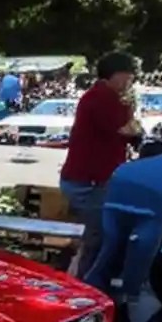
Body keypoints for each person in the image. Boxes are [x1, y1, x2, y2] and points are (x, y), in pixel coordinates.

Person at [61, 51, 143, 278]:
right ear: (115, 74)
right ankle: (84, 285)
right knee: (99, 237)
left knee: (98, 235)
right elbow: (127, 129)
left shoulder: (106, 97)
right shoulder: (101, 98)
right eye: (127, 75)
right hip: (88, 182)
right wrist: (133, 123)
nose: (130, 81)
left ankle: (82, 278)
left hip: (94, 179)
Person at [83, 147, 162, 322]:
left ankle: (85, 304)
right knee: (142, 257)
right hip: (153, 196)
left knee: (109, 251)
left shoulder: (154, 161)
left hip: (118, 183)